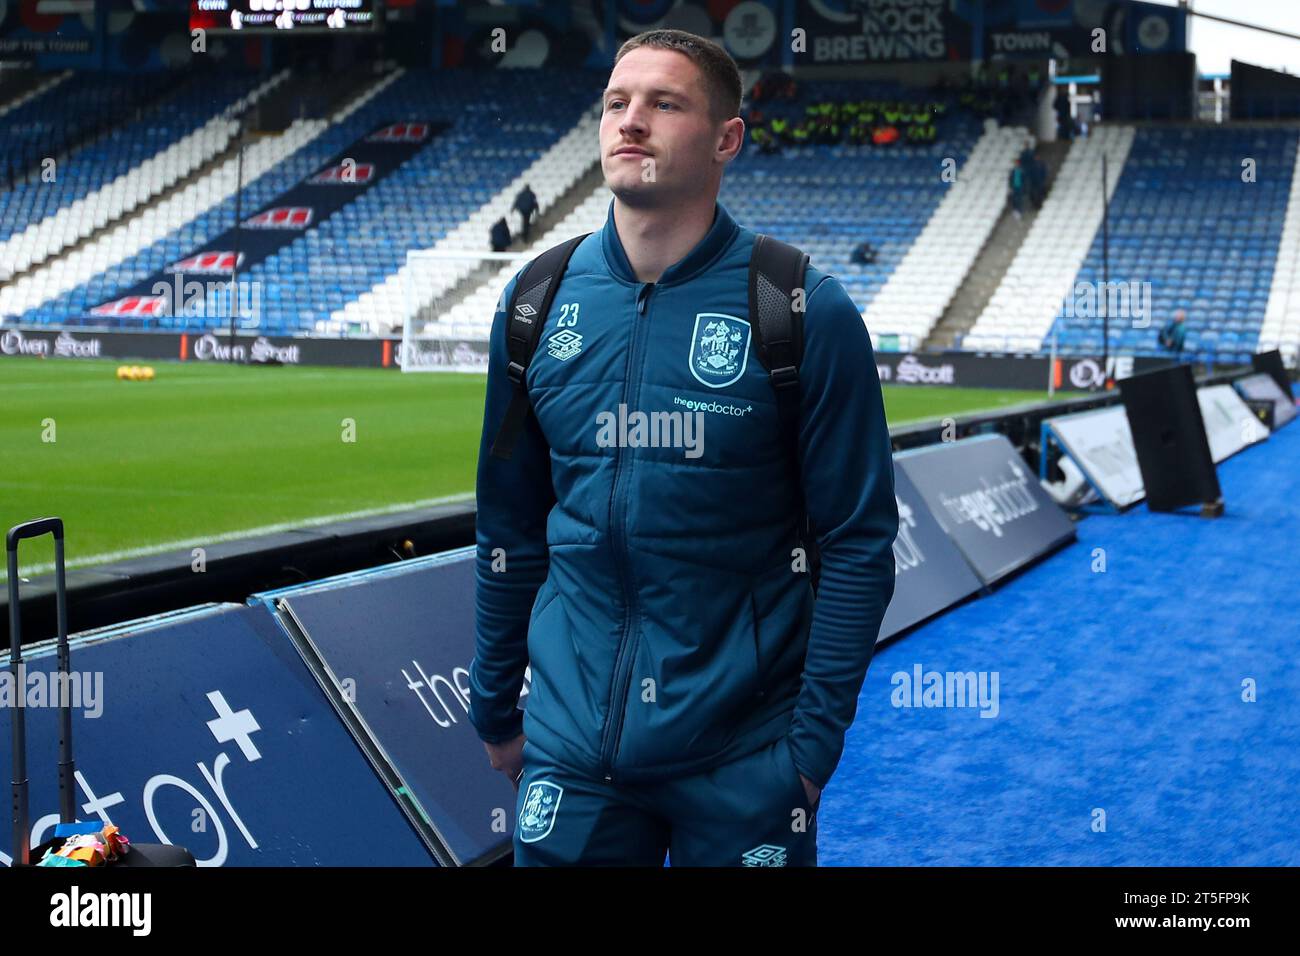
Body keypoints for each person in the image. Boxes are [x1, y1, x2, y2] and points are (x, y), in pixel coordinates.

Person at [470, 28, 898, 867]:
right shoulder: (533, 303)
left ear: (727, 139)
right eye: (617, 104)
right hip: (570, 752)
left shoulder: (801, 308)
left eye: (665, 104)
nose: (632, 122)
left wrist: (808, 759)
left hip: (745, 762)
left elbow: (858, 543)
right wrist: (495, 714)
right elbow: (507, 529)